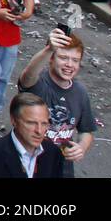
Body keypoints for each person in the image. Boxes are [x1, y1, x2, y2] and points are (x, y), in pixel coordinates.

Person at [17, 28, 96, 176]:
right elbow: (28, 76)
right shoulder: (38, 84)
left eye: (75, 60)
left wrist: (81, 148)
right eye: (63, 58)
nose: (69, 64)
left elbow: (86, 130)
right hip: (27, 163)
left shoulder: (80, 92)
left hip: (60, 166)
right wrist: (49, 49)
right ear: (51, 59)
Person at [0, 93, 64, 178]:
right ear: (14, 120)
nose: (39, 131)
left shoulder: (53, 153)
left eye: (44, 124)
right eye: (31, 123)